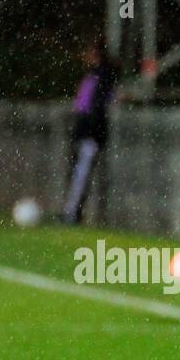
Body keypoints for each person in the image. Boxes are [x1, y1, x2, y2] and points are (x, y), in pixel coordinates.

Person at [61, 40, 117, 224]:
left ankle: (72, 213)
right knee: (77, 173)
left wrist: (91, 130)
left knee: (81, 174)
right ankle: (71, 210)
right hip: (84, 131)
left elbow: (98, 106)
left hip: (91, 133)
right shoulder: (93, 75)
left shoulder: (103, 76)